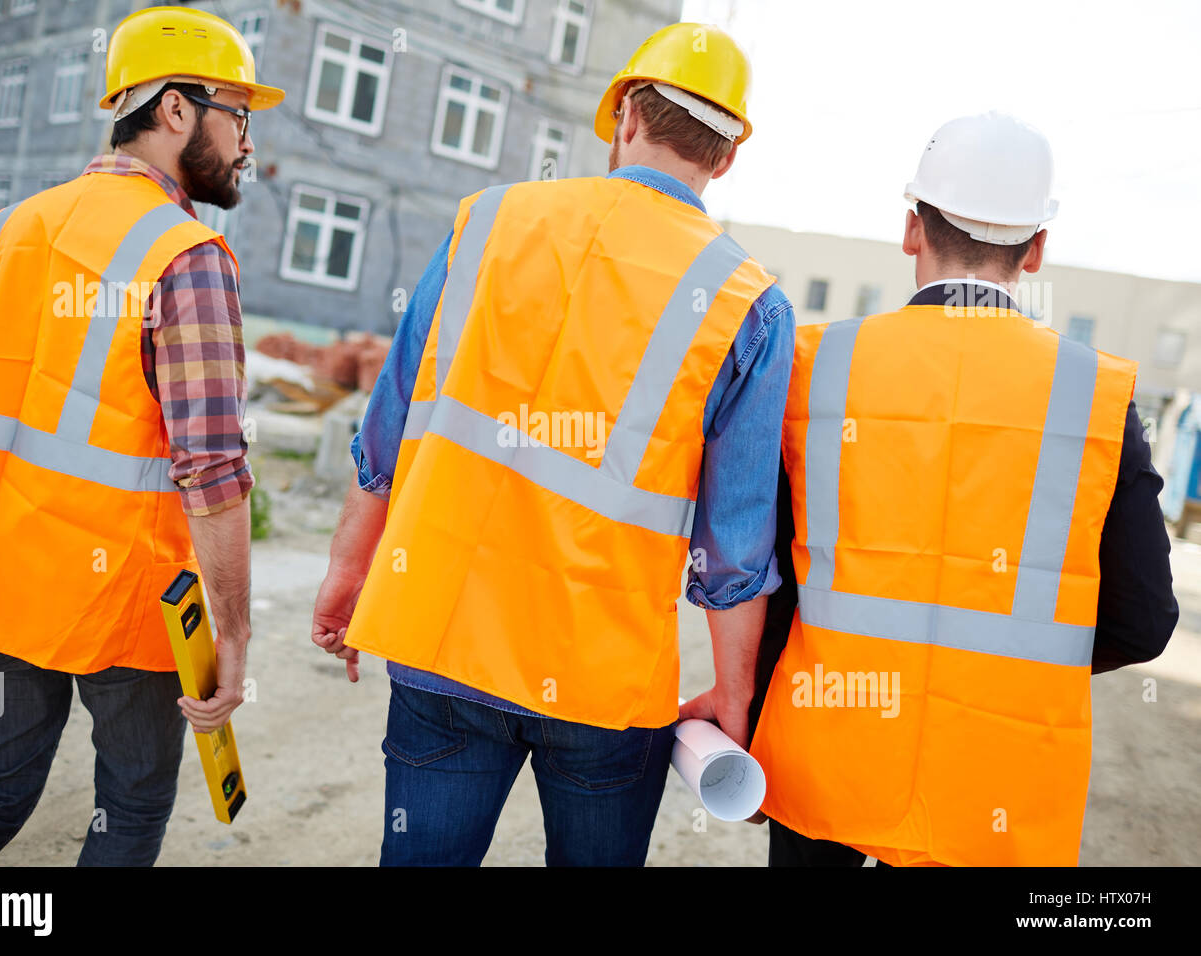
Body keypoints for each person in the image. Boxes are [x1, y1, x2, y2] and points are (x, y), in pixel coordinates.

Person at [310, 22, 796, 866]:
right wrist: (733, 693)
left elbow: (387, 428)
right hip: (604, 685)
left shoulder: (490, 220)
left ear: (623, 120)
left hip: (440, 643)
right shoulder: (746, 303)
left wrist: (351, 572)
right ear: (725, 160)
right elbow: (736, 545)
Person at [0, 5, 284, 866]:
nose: (249, 146)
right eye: (240, 116)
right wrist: (235, 633)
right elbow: (213, 469)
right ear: (176, 111)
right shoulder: (184, 254)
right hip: (130, 600)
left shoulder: (9, 231)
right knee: (131, 811)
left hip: (6, 577)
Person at [741, 112, 1178, 866]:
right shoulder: (1096, 397)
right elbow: (1143, 620)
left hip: (826, 762)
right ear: (1037, 249)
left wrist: (750, 721)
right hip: (996, 795)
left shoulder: (817, 367)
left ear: (913, 227)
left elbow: (768, 572)